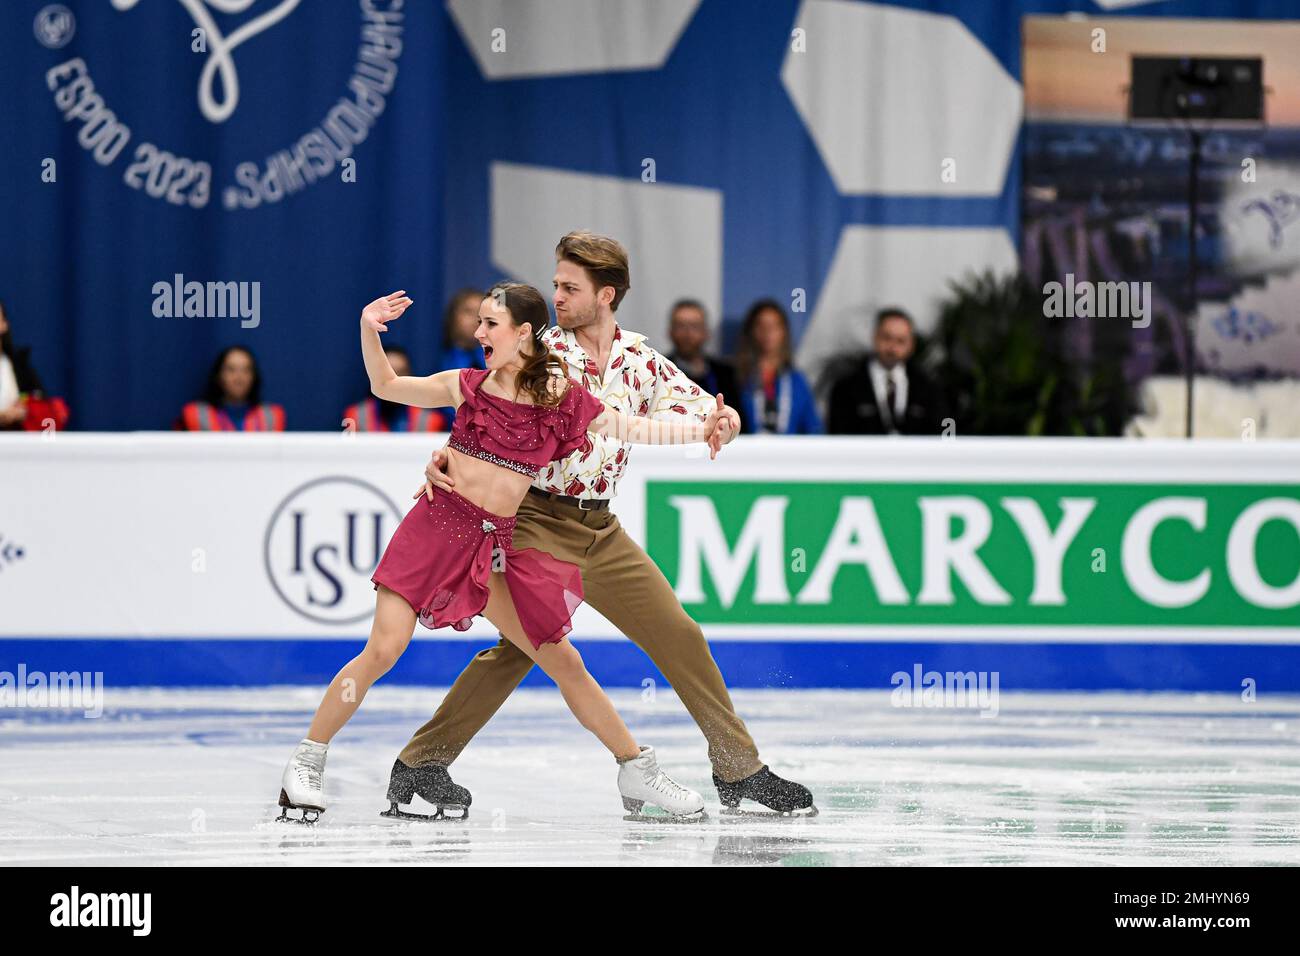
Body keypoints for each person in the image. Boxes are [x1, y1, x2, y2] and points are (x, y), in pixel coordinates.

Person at [394, 232, 816, 817]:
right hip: (532, 520)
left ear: (606, 294)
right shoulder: (538, 351)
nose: (557, 296)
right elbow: (482, 408)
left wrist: (729, 421)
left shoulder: (641, 361)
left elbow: (703, 410)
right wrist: (446, 458)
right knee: (525, 649)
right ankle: (422, 762)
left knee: (679, 633)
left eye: (570, 288)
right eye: (556, 284)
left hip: (601, 530)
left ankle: (738, 769)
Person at [278, 283, 726, 823]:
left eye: (491, 323)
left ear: (524, 334)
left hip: (493, 548)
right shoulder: (466, 386)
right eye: (479, 321)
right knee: (384, 649)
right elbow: (387, 385)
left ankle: (636, 769)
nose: (478, 332)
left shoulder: (560, 402)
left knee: (563, 660)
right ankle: (307, 762)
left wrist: (699, 430)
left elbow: (626, 426)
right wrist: (368, 329)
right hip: (434, 531)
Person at [824, 307, 946, 435]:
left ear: (911, 345)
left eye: (901, 341)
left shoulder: (929, 388)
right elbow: (838, 437)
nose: (892, 347)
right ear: (875, 337)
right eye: (887, 338)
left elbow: (940, 434)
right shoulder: (845, 388)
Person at [735, 298, 823, 435]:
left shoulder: (797, 381)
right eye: (761, 326)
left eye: (775, 326)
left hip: (789, 454)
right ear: (751, 331)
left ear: (784, 332)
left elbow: (813, 429)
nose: (767, 332)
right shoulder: (736, 378)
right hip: (745, 453)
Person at [665, 298, 744, 431]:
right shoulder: (658, 370)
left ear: (706, 332)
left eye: (694, 326)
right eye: (680, 326)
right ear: (670, 332)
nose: (687, 334)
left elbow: (738, 424)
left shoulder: (725, 374)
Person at [176, 346, 285, 431]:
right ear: (219, 376)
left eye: (246, 370)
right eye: (231, 370)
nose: (239, 378)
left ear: (254, 377)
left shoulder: (271, 417)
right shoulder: (197, 415)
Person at [342, 345, 446, 432]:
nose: (394, 382)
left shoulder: (431, 421)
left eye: (400, 373)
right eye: (388, 375)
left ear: (410, 376)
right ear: (373, 376)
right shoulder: (355, 417)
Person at [0, 300, 57, 431]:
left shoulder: (19, 363)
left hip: (16, 440)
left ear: (4, 324)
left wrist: (24, 411)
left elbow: (40, 398)